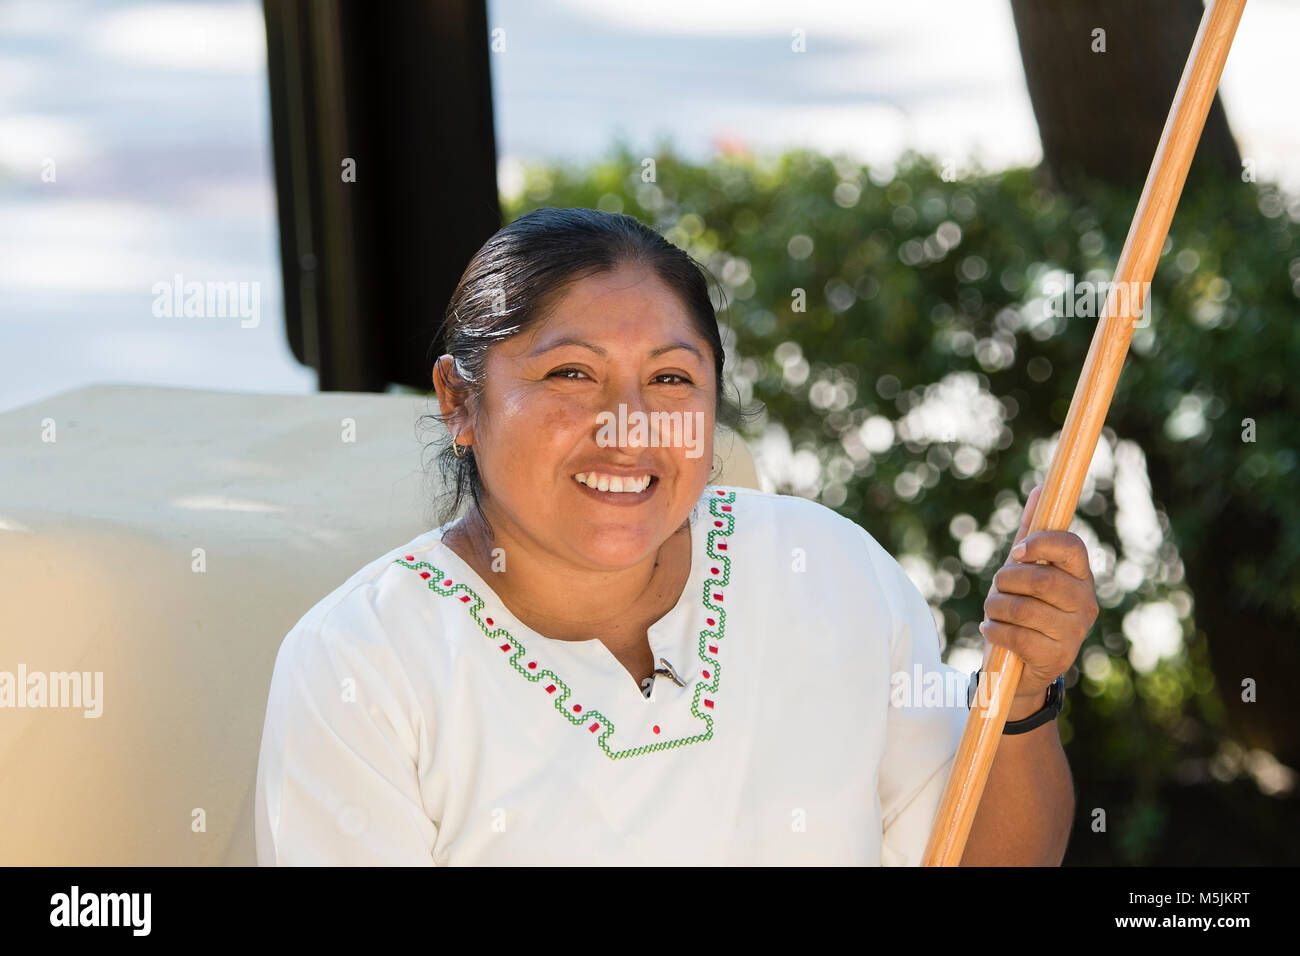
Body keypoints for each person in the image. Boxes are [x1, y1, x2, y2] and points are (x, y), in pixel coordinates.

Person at [254, 207, 1098, 865]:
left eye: (670, 378)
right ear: (458, 400)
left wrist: (1021, 691)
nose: (628, 428)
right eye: (570, 374)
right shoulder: (360, 664)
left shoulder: (826, 568)